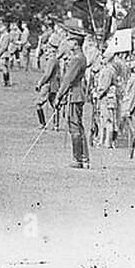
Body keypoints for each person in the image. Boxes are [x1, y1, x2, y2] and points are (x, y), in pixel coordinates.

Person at [55, 25, 91, 169]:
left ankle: (78, 159)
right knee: (77, 127)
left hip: (74, 95)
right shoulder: (79, 57)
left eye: (70, 41)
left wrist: (59, 96)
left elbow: (68, 79)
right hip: (76, 94)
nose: (68, 43)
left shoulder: (77, 58)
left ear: (75, 44)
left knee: (75, 128)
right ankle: (83, 158)